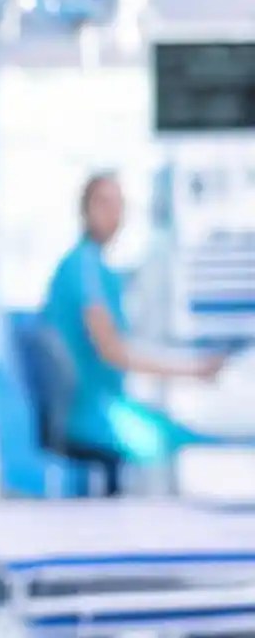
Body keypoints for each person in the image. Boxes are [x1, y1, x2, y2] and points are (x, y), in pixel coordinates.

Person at [41, 172, 226, 488]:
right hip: (90, 416)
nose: (113, 213)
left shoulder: (96, 268)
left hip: (106, 407)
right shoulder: (84, 269)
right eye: (104, 203)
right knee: (186, 438)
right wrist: (191, 370)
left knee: (182, 434)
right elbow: (112, 351)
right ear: (85, 209)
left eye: (119, 204)